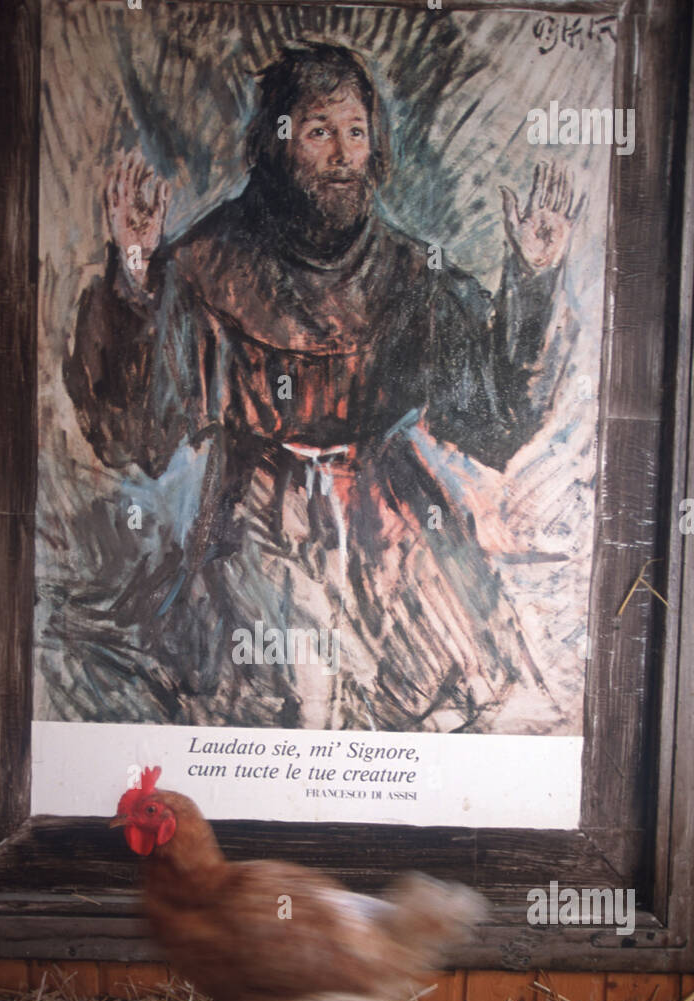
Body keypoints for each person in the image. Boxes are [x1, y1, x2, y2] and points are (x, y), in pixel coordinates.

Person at [61, 41, 580, 730]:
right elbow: (130, 434)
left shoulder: (407, 270)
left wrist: (532, 280)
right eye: (318, 131)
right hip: (256, 514)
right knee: (297, 697)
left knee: (453, 694)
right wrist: (133, 280)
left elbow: (493, 418)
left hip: (387, 509)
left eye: (356, 132)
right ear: (276, 145)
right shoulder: (208, 259)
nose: (342, 154)